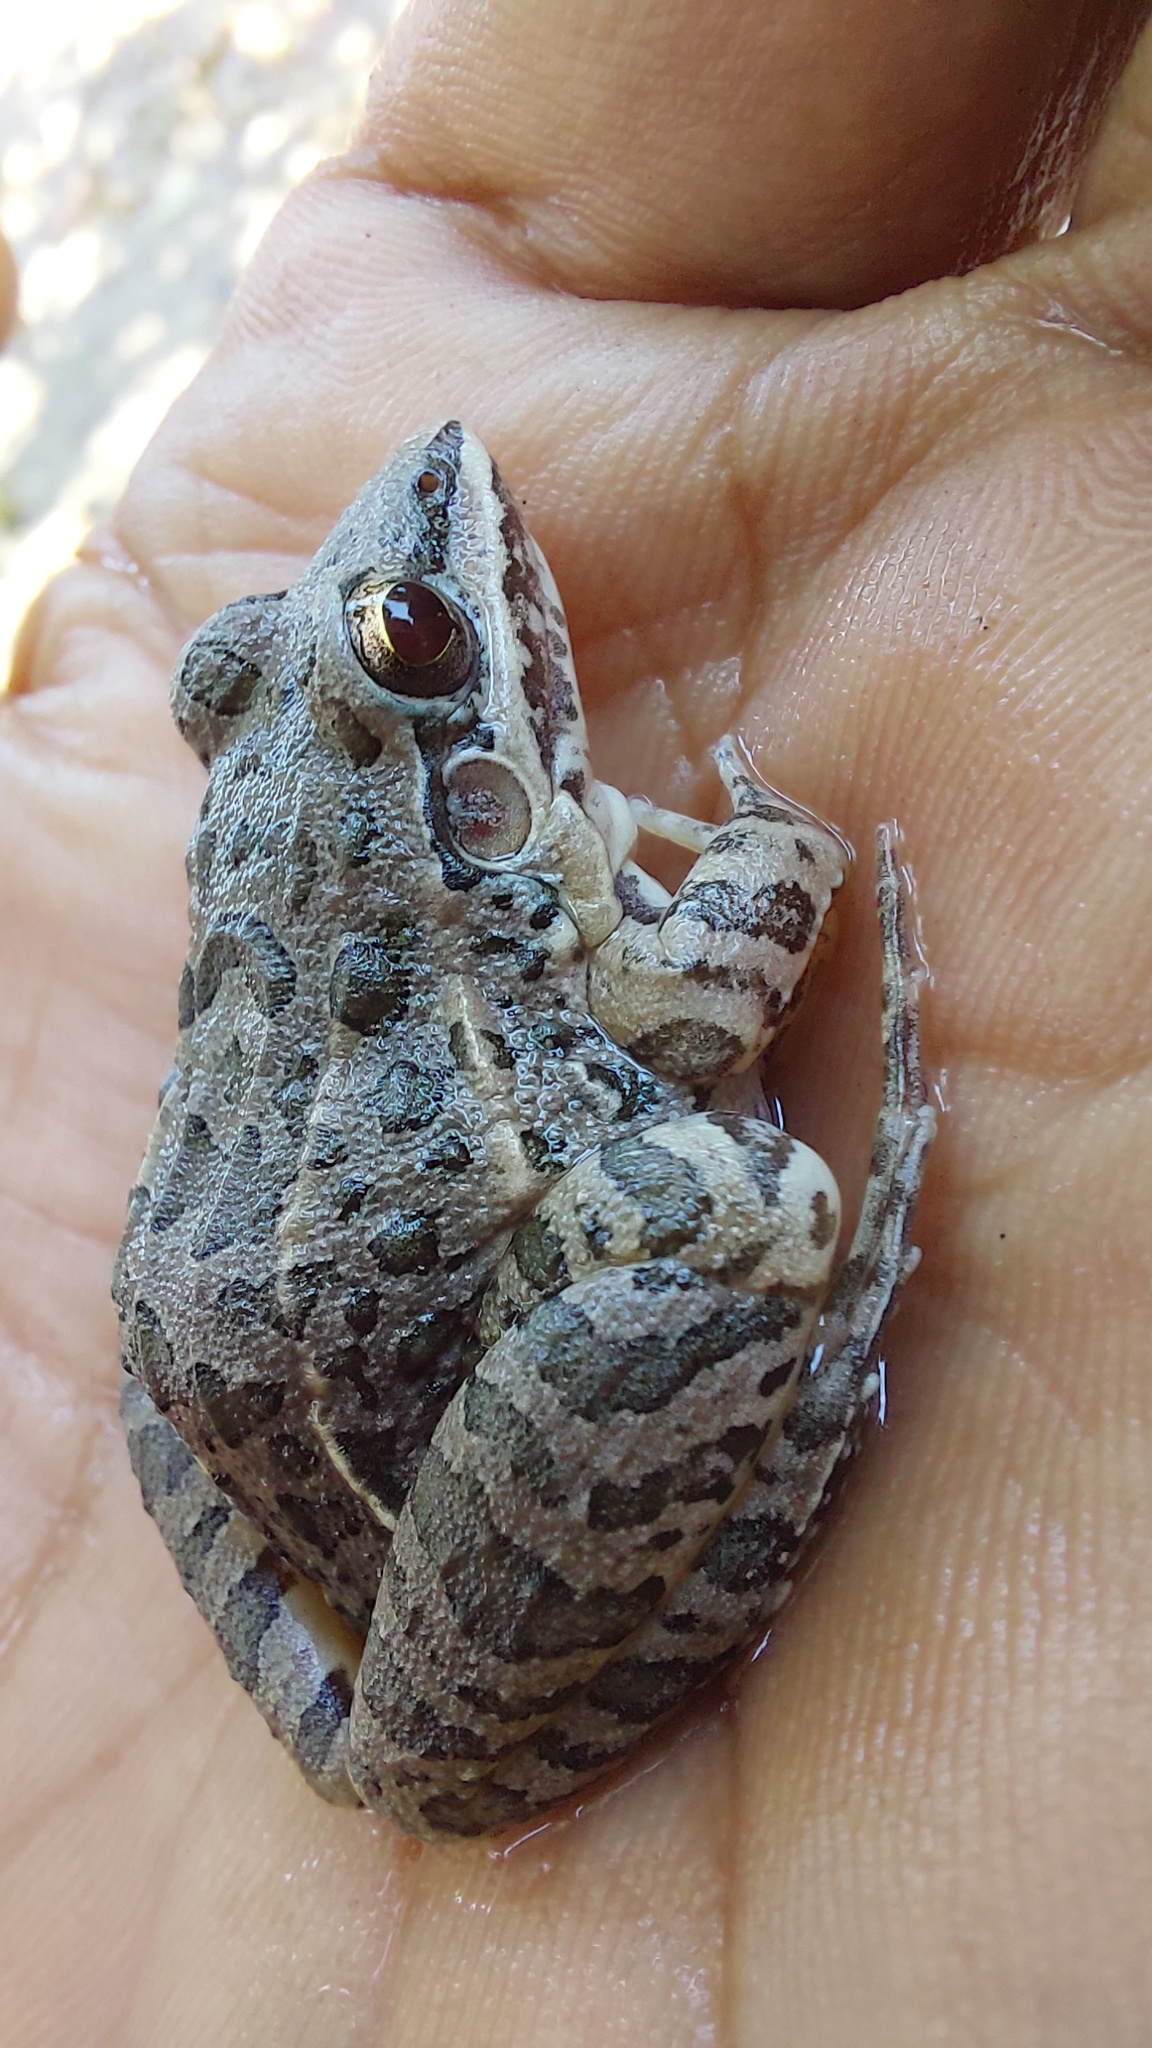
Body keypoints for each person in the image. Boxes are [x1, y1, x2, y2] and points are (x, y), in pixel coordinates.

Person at [3, 1, 1151, 2038]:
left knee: (279, 1298)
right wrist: (748, 847)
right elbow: (738, 958)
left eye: (352, 642)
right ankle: (509, 1649)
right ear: (473, 777)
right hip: (421, 1328)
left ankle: (405, 1692)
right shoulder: (517, 883)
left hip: (252, 1348)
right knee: (754, 1210)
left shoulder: (453, 869)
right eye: (403, 637)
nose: (417, 504)